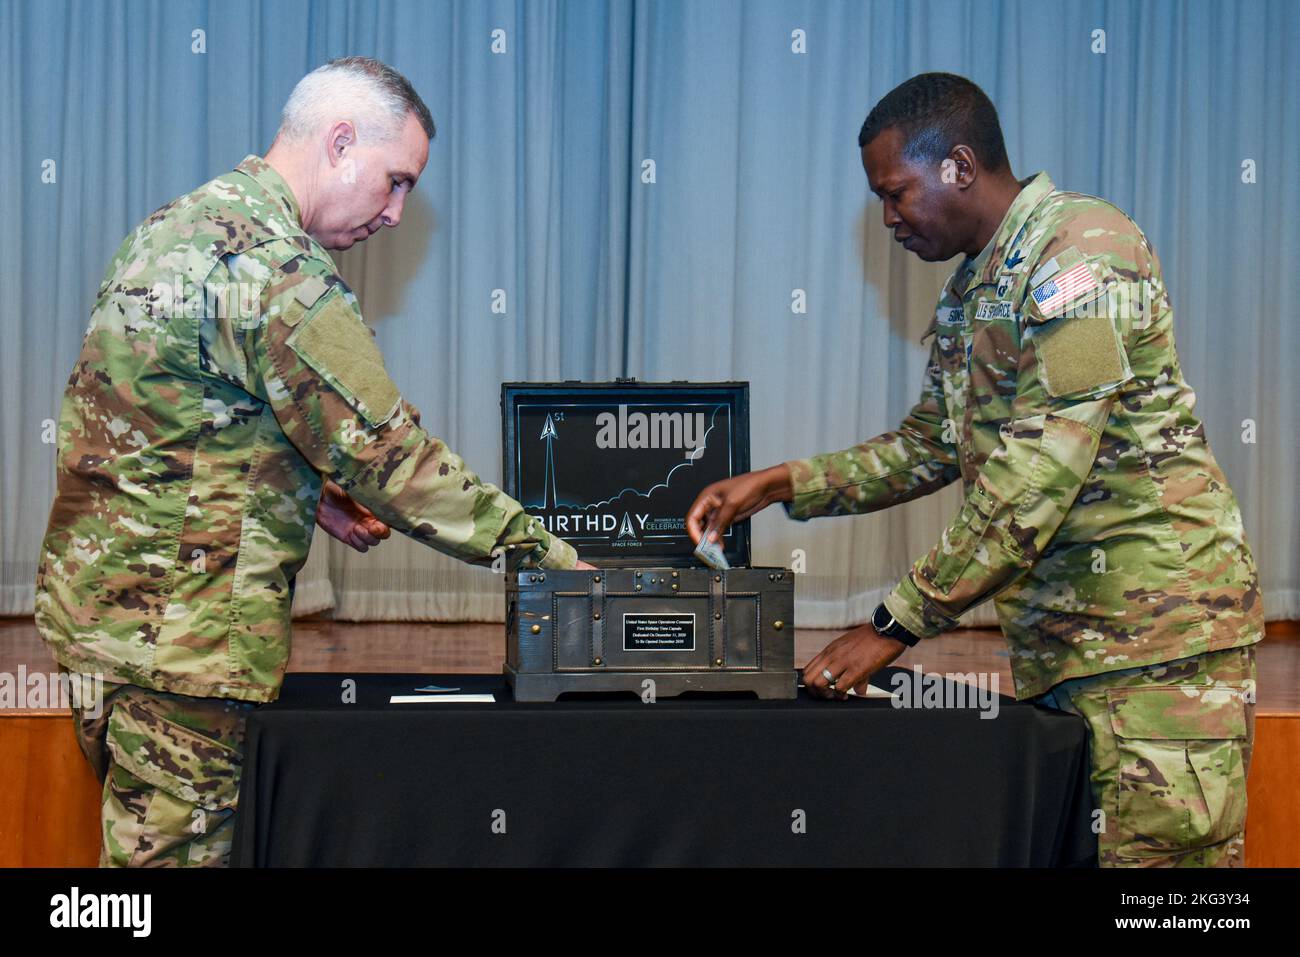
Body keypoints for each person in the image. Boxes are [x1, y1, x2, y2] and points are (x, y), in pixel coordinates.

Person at [686, 73, 1262, 867]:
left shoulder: (1084, 255)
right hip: (1064, 649)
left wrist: (896, 623)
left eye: (895, 193)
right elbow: (930, 444)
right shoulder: (972, 293)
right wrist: (779, 483)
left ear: (959, 165)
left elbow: (1040, 468)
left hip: (1155, 647)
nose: (888, 217)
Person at [35, 56, 589, 867]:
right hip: (186, 651)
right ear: (339, 142)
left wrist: (296, 480)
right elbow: (394, 461)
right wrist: (556, 560)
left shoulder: (172, 227)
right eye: (396, 180)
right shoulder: (280, 270)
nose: (398, 213)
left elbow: (145, 415)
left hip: (99, 631)